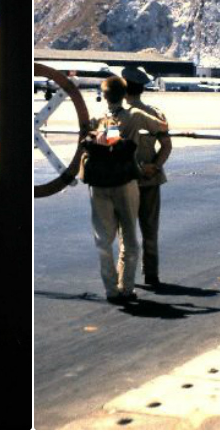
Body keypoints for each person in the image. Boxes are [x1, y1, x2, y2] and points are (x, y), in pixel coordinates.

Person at [81, 76, 168, 305]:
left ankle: (111, 290)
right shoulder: (135, 115)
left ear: (105, 94)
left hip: (99, 185)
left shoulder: (97, 120)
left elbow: (85, 142)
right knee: (129, 238)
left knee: (103, 240)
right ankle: (126, 287)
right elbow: (162, 127)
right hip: (125, 181)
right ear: (125, 93)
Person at [122, 66, 173, 289]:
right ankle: (151, 274)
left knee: (127, 231)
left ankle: (127, 276)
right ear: (142, 88)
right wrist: (154, 166)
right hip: (150, 179)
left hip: (126, 180)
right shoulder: (155, 113)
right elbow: (166, 145)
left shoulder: (119, 116)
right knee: (150, 228)